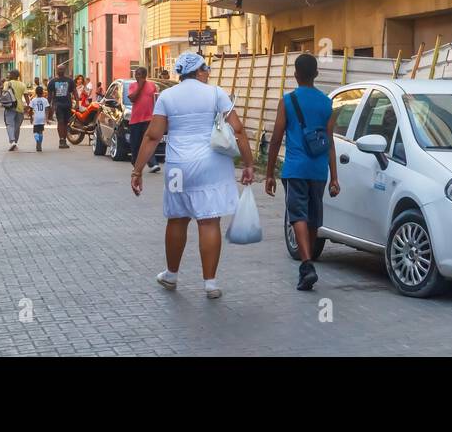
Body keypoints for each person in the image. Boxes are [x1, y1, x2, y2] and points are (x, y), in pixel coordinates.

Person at [131, 52, 254, 300]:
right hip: (211, 165)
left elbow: (153, 136)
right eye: (205, 68)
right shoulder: (216, 93)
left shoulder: (167, 96)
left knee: (177, 219)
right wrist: (249, 163)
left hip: (178, 168)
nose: (208, 72)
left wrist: (137, 170)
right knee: (209, 221)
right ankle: (210, 283)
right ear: (197, 71)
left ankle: (171, 275)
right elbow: (237, 129)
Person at [264, 53, 340, 291]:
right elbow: (329, 141)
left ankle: (306, 263)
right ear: (316, 74)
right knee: (313, 215)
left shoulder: (287, 101)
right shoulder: (327, 103)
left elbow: (276, 139)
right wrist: (335, 177)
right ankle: (310, 258)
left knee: (298, 214)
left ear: (295, 75)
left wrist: (268, 173)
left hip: (295, 168)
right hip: (318, 171)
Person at [127, 68, 160, 173]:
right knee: (135, 144)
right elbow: (132, 98)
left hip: (149, 119)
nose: (137, 76)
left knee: (148, 142)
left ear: (145, 75)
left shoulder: (152, 86)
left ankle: (153, 164)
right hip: (136, 119)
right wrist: (140, 86)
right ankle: (136, 164)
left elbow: (156, 100)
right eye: (136, 74)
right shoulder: (132, 86)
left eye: (139, 74)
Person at [46, 66, 74, 150]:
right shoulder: (52, 82)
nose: (60, 70)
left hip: (68, 104)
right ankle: (61, 140)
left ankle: (64, 139)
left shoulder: (69, 81)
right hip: (58, 105)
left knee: (66, 123)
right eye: (59, 69)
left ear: (64, 70)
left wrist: (77, 102)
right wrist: (48, 106)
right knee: (60, 122)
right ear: (56, 70)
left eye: (62, 69)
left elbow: (74, 91)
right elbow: (50, 95)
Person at [1, 69, 29, 150]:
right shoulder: (22, 84)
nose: (8, 75)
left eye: (9, 74)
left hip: (10, 106)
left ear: (12, 75)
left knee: (10, 125)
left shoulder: (7, 83)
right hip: (20, 108)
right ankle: (15, 142)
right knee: (17, 127)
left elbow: (4, 93)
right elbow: (26, 96)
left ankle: (12, 141)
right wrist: (28, 106)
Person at [29, 86, 48, 153]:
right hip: (42, 117)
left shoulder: (33, 100)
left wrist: (31, 117)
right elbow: (47, 109)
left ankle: (37, 142)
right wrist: (47, 118)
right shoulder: (45, 100)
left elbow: (30, 110)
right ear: (42, 92)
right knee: (40, 131)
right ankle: (40, 144)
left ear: (36, 92)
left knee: (35, 132)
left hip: (36, 117)